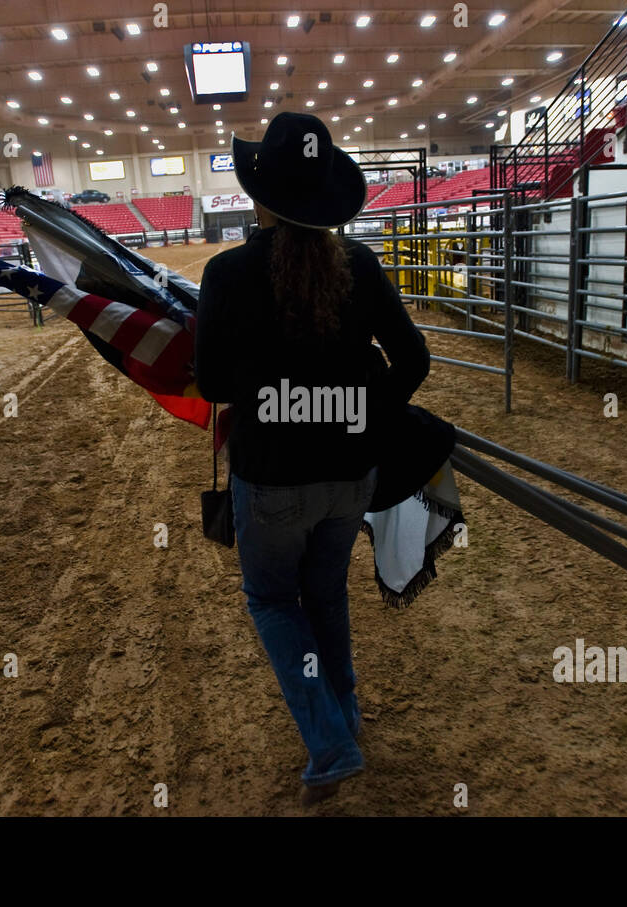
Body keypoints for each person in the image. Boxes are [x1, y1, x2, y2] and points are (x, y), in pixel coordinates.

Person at [195, 112, 430, 806]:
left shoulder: (228, 273)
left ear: (262, 199)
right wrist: (368, 414)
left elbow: (210, 383)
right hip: (348, 478)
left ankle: (330, 737)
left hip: (270, 478)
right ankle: (345, 709)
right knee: (324, 593)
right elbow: (412, 358)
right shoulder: (357, 264)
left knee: (272, 599)